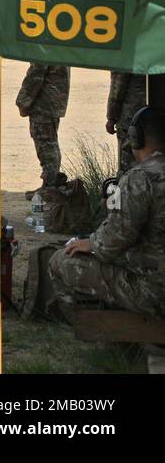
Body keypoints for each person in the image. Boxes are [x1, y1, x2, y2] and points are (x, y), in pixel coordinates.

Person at [49, 104, 165, 318]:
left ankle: (87, 326)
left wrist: (90, 243)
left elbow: (111, 244)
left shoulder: (139, 179)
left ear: (137, 139)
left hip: (153, 293)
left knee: (60, 260)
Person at [16, 63, 70, 193]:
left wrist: (23, 101)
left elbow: (36, 74)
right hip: (53, 100)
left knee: (46, 144)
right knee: (50, 142)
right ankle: (50, 183)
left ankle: (50, 186)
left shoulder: (43, 46)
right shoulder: (57, 44)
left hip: (43, 102)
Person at [107, 71, 147, 176]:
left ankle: (127, 189)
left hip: (130, 116)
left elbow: (117, 88)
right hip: (153, 115)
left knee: (127, 164)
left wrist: (111, 117)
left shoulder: (126, 57)